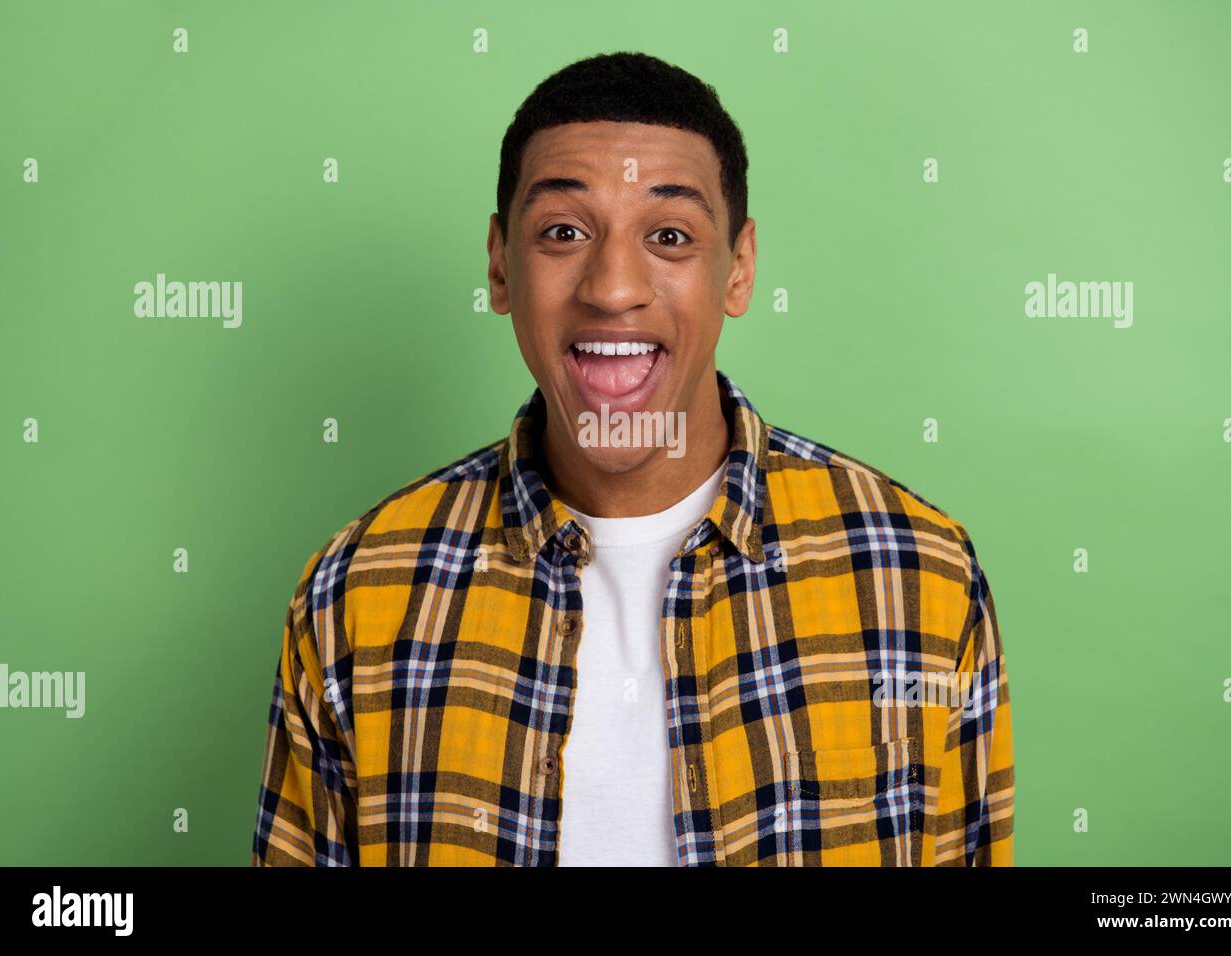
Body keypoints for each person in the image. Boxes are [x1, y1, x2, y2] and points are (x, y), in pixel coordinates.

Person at [252, 51, 1013, 867]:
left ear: (740, 267)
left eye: (670, 235)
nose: (613, 287)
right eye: (563, 232)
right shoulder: (356, 593)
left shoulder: (920, 578)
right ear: (500, 263)